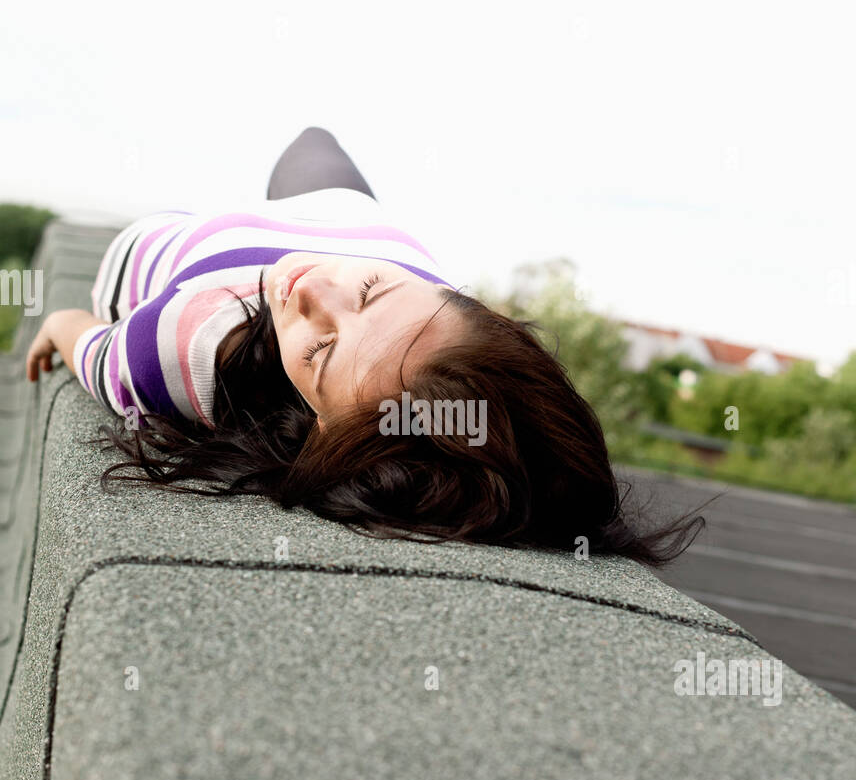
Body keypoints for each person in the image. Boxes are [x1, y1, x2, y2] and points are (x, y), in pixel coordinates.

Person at [25, 127, 704, 559]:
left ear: (316, 426)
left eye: (319, 355)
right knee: (314, 138)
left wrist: (60, 324)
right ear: (460, 296)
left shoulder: (181, 349)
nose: (309, 294)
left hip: (178, 241)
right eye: (372, 294)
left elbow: (84, 342)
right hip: (344, 216)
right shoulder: (423, 295)